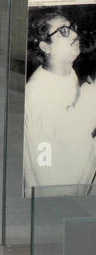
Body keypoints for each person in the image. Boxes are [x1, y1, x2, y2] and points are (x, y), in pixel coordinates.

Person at [23, 11, 96, 190]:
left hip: (79, 176)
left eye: (72, 28)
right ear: (45, 47)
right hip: (58, 189)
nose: (74, 34)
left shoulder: (68, 72)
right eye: (63, 31)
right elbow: (68, 131)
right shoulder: (36, 91)